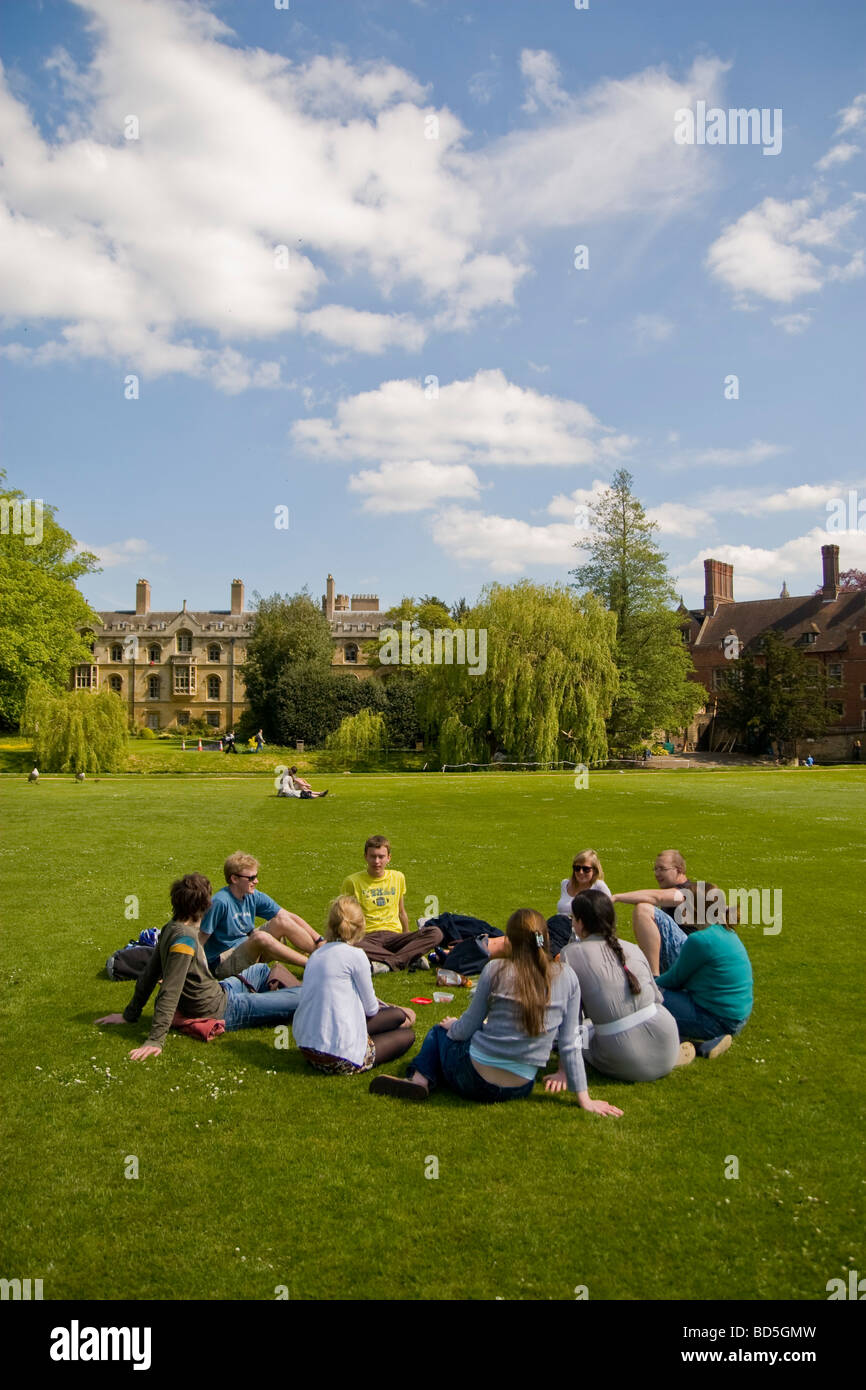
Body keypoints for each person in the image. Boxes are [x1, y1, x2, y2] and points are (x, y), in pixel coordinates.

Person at [369, 909, 624, 1115]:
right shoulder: (567, 975)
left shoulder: (496, 970)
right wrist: (584, 1098)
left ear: (509, 941)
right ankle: (430, 1075)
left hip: (474, 1079)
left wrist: (452, 1026)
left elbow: (466, 1028)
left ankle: (420, 1081)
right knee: (467, 1035)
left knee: (438, 1033)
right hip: (521, 1086)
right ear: (544, 939)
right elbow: (570, 1042)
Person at [95, 873, 303, 1058]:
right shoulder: (184, 941)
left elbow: (149, 974)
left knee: (261, 970)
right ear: (204, 904)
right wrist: (155, 1039)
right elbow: (170, 989)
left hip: (221, 991)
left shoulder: (170, 927)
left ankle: (270, 998)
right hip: (222, 1010)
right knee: (304, 996)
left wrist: (130, 1014)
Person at [561, 889, 691, 1081]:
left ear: (579, 922)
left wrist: (565, 1068)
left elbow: (573, 1018)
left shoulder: (570, 953)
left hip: (624, 1055)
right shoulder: (632, 948)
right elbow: (657, 999)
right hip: (667, 1038)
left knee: (584, 1029)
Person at [292, 896, 416, 1074]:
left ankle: (387, 1022)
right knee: (407, 1034)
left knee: (397, 1015)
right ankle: (360, 1050)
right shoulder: (356, 956)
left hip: (308, 1048)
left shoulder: (316, 955)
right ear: (360, 926)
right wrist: (397, 1009)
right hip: (339, 1058)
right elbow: (371, 1009)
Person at [199, 851, 324, 980]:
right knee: (261, 937)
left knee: (281, 921)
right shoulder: (220, 902)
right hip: (222, 962)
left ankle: (325, 956)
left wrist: (319, 939)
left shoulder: (252, 895)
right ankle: (312, 965)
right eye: (251, 878)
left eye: (256, 876)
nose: (256, 881)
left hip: (246, 948)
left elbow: (288, 916)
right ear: (234, 879)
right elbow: (200, 940)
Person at [655, 911, 753, 1061]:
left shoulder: (700, 940)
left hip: (715, 1020)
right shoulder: (726, 932)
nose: (681, 911)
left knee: (646, 1002)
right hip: (736, 1017)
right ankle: (701, 1045)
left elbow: (673, 980)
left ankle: (692, 1044)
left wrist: (647, 983)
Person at [611, 849, 726, 975]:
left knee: (643, 909)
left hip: (690, 955)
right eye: (655, 869)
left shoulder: (686, 890)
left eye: (662, 869)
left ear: (679, 870)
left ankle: (654, 978)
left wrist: (616, 897)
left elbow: (657, 897)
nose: (657, 874)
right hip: (689, 954)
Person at [341, 835, 443, 974]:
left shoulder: (398, 877)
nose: (377, 861)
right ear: (365, 856)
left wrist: (407, 936)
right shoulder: (352, 881)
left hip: (394, 936)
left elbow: (401, 911)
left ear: (389, 857)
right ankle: (409, 958)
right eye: (373, 856)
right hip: (366, 937)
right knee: (349, 944)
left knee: (435, 932)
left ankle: (387, 963)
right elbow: (345, 917)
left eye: (381, 857)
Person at [547, 849, 613, 956]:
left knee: (549, 945)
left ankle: (554, 957)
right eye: (577, 868)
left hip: (579, 928)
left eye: (586, 869)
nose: (580, 872)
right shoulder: (565, 884)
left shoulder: (598, 886)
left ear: (594, 870)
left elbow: (608, 914)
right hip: (557, 924)